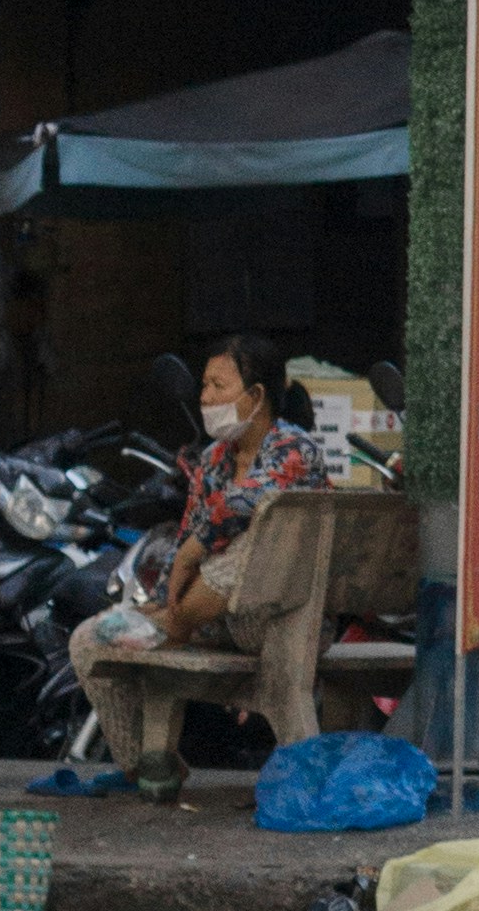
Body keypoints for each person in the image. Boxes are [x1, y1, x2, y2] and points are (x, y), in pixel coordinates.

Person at [69, 333, 310, 800]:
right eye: (203, 386)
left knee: (249, 549)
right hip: (215, 619)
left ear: (256, 396)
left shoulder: (294, 450)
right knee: (90, 639)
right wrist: (169, 589)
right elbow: (189, 531)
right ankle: (146, 764)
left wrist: (189, 556)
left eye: (218, 386)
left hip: (283, 620)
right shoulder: (212, 460)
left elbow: (242, 507)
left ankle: (179, 622)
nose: (205, 398)